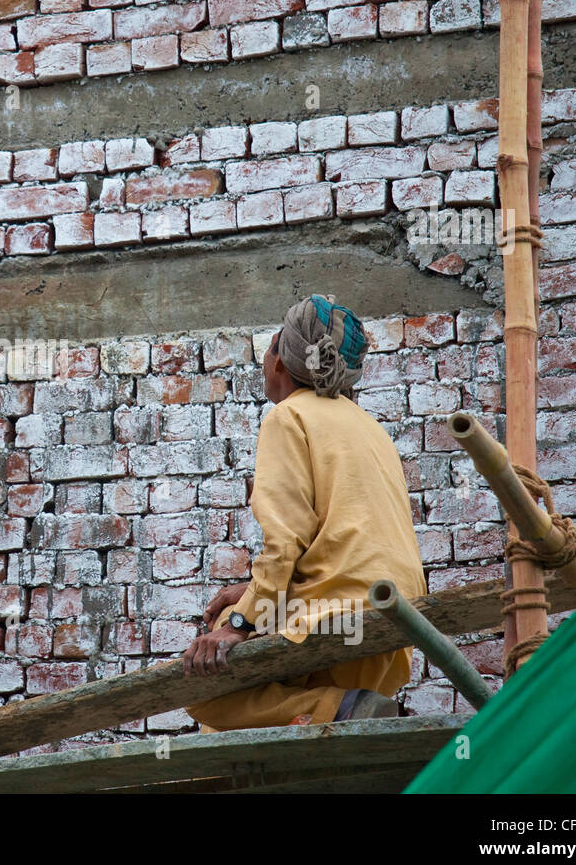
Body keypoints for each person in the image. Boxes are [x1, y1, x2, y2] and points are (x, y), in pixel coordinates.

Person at [182, 295, 428, 728]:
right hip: (395, 624)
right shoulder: (371, 428)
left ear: (278, 360)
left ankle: (334, 708)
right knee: (258, 664)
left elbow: (285, 540)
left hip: (337, 618)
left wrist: (238, 623)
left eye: (272, 343)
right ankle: (343, 708)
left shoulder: (287, 417)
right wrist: (252, 591)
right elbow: (343, 545)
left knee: (201, 688)